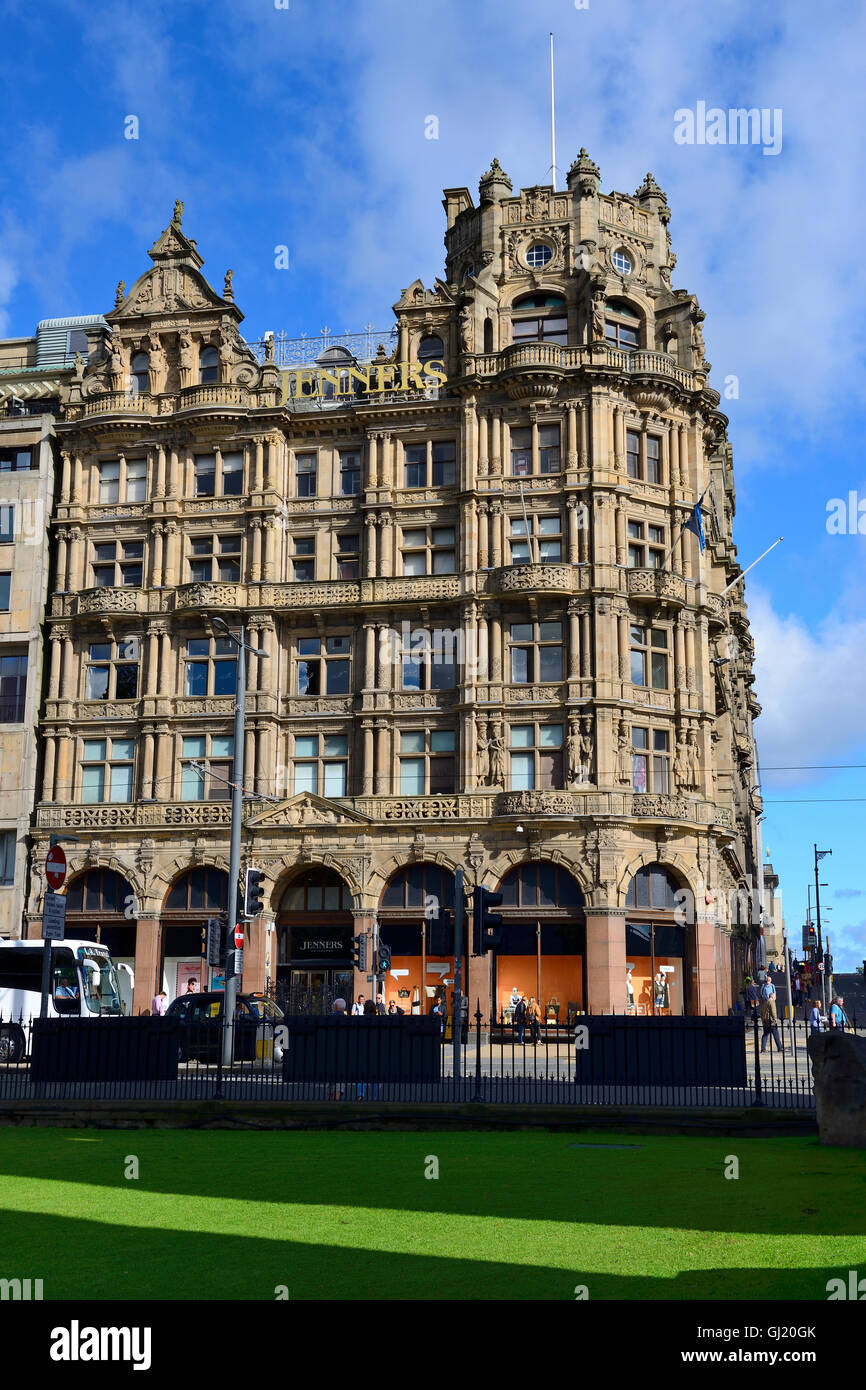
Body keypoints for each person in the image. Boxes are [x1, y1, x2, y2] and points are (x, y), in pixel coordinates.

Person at [759, 974, 783, 1053]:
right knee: (776, 1034)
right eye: (774, 996)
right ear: (773, 996)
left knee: (765, 1034)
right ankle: (780, 1048)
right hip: (771, 1021)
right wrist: (775, 1019)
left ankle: (763, 1048)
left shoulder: (765, 1003)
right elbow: (773, 1011)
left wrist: (763, 1019)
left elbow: (762, 1011)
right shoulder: (771, 1002)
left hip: (765, 1020)